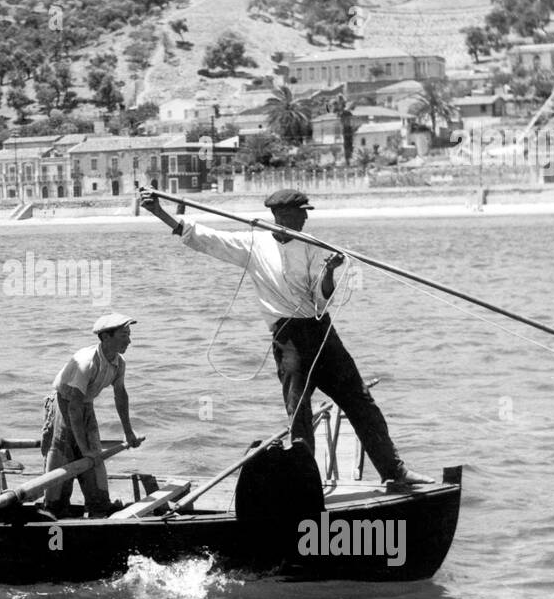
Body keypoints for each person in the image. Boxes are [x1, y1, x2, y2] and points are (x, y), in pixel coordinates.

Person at [140, 189, 431, 486]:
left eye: (306, 212)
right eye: (301, 212)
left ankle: (394, 471)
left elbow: (321, 301)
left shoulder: (314, 247)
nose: (306, 217)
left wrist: (330, 271)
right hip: (288, 337)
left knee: (361, 401)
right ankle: (307, 485)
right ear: (281, 216)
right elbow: (205, 238)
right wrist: (159, 212)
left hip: (322, 332)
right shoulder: (253, 244)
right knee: (299, 412)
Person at [41, 313, 145, 518]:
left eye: (129, 335)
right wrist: (84, 448)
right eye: (124, 335)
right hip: (63, 405)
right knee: (64, 459)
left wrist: (129, 433)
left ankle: (98, 507)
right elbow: (73, 408)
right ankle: (54, 511)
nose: (129, 341)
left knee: (94, 462)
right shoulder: (86, 362)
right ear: (106, 337)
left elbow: (120, 395)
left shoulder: (118, 362)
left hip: (85, 406)